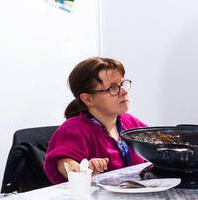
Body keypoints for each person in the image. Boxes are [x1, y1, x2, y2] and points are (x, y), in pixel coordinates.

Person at [43, 56, 147, 184]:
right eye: (113, 88)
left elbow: (155, 148)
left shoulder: (130, 122)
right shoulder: (73, 130)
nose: (124, 91)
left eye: (122, 84)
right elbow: (63, 164)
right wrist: (84, 170)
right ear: (88, 99)